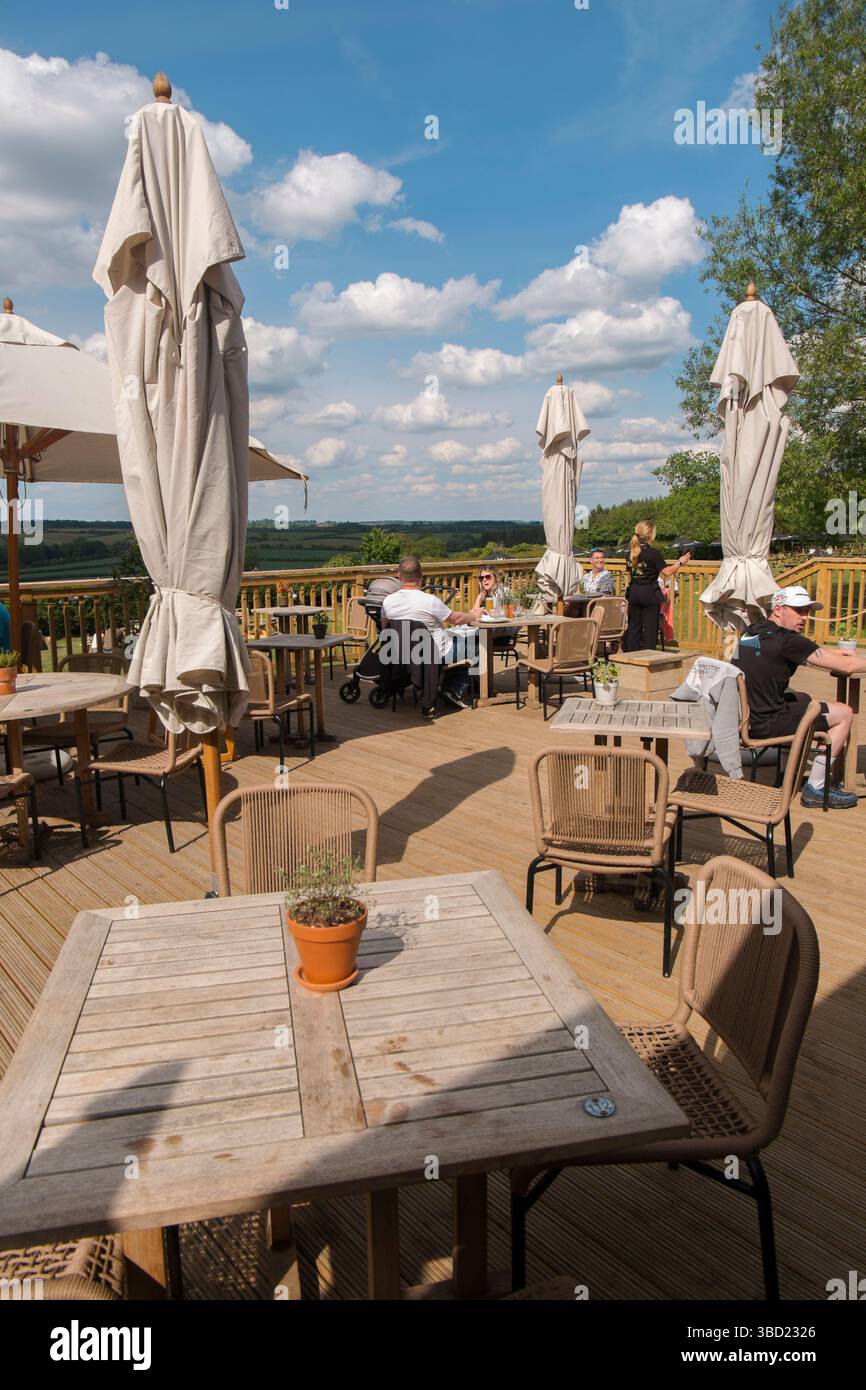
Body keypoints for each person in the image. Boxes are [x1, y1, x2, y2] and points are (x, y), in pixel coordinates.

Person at [733, 585, 866, 810]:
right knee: (844, 713)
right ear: (778, 609)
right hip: (765, 723)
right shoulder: (789, 641)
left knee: (802, 698)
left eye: (807, 611)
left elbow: (799, 652)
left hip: (741, 718)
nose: (805, 617)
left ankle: (786, 774)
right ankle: (817, 788)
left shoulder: (753, 630)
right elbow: (849, 666)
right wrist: (841, 657)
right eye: (799, 610)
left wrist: (831, 654)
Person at [381, 555, 474, 711]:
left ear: (399, 575)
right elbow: (456, 619)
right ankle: (457, 689)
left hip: (402, 654)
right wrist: (474, 615)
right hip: (434, 654)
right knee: (478, 643)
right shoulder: (429, 601)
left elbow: (386, 629)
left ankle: (447, 684)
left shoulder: (388, 602)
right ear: (421, 575)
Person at [624, 521, 690, 651]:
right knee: (650, 628)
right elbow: (667, 572)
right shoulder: (653, 553)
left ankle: (630, 657)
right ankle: (648, 658)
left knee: (634, 627)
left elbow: (630, 573)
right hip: (649, 593)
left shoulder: (630, 553)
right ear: (651, 535)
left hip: (634, 592)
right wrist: (680, 563)